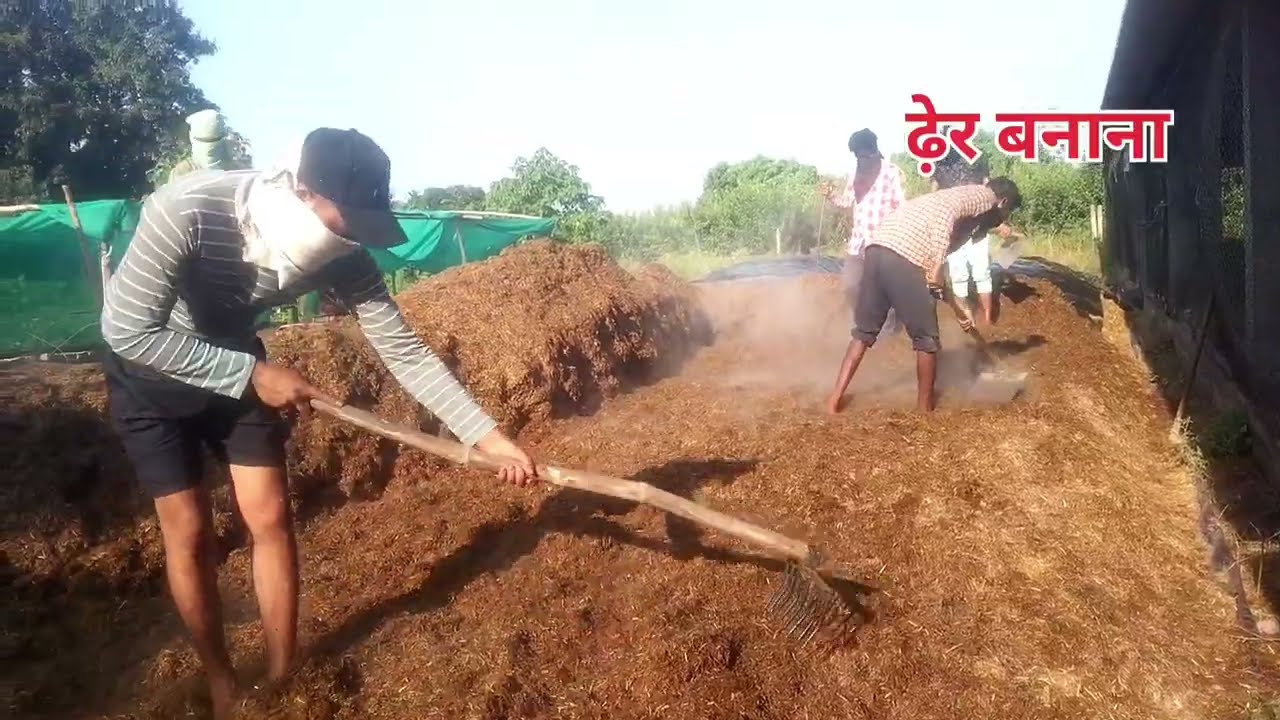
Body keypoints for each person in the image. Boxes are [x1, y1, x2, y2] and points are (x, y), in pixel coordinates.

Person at [100, 128, 538, 718]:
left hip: (239, 367)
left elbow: (403, 351)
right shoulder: (188, 209)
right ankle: (222, 680)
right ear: (302, 192)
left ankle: (283, 675)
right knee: (191, 533)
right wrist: (253, 377)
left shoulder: (343, 256)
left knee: (273, 517)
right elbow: (127, 330)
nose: (352, 236)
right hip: (151, 376)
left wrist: (489, 437)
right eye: (346, 219)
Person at [825, 178, 1023, 414]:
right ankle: (924, 412)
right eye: (1007, 211)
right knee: (927, 340)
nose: (1003, 219)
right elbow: (944, 215)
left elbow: (934, 273)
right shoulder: (983, 196)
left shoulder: (963, 216)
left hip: (878, 250)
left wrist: (958, 307)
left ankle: (834, 400)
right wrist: (938, 263)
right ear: (1002, 201)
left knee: (863, 332)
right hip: (904, 256)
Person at [822, 129, 905, 330]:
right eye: (856, 155)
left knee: (885, 289)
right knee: (851, 286)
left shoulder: (892, 172)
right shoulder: (855, 175)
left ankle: (890, 333)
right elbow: (846, 201)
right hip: (859, 243)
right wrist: (830, 195)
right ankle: (865, 323)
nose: (859, 158)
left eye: (861, 153)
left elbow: (902, 206)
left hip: (884, 242)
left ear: (872, 150)